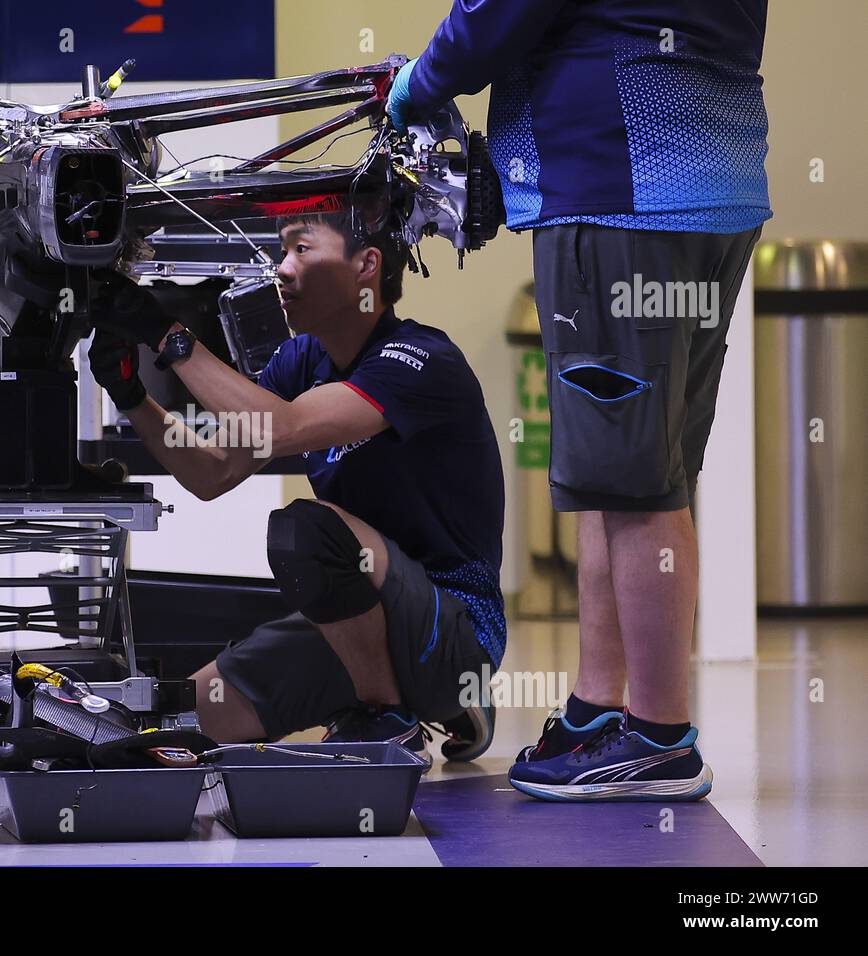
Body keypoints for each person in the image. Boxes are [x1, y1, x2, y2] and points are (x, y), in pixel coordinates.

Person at [389, 0, 770, 800]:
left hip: (618, 179)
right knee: (629, 473)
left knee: (634, 481)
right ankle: (601, 709)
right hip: (713, 178)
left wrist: (424, 80)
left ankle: (660, 737)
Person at [86, 200, 506, 766]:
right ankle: (442, 703)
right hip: (362, 626)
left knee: (304, 534)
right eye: (282, 251)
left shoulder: (420, 358)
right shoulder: (300, 361)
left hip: (457, 627)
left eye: (301, 250)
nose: (281, 268)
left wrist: (169, 336)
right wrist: (132, 395)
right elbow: (212, 472)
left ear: (366, 266)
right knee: (193, 715)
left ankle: (388, 715)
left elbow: (284, 428)